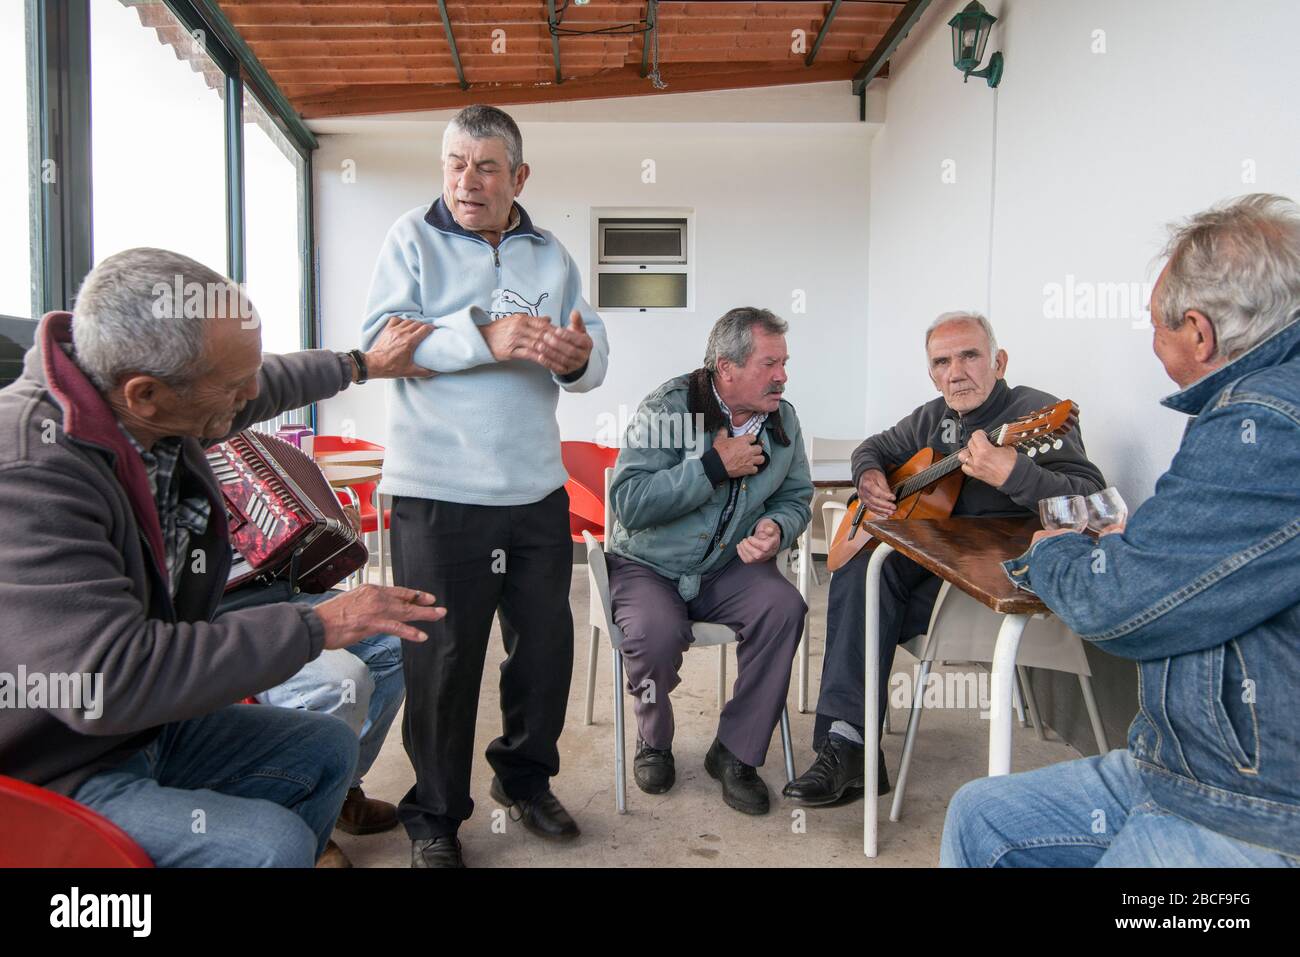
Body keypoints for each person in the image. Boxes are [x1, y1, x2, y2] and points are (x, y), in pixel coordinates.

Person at [0, 247, 445, 867]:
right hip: (53, 767)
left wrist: (362, 364)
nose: (253, 396)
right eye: (235, 387)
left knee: (324, 750)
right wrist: (319, 625)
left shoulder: (136, 401)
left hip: (145, 730)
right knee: (270, 845)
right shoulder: (30, 472)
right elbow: (107, 681)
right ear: (146, 394)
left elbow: (271, 383)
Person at [942, 194, 1300, 867]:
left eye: (1155, 327)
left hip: (1249, 802)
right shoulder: (1253, 404)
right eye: (942, 363)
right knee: (979, 814)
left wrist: (1057, 549)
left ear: (1199, 332)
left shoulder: (1265, 422)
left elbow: (1120, 599)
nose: (955, 373)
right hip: (1182, 763)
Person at [361, 104, 609, 868]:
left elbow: (594, 357)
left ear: (519, 177)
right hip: (436, 493)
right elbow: (379, 347)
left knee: (544, 652)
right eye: (455, 163)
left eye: (486, 165)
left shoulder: (551, 253)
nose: (467, 180)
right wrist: (485, 337)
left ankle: (524, 779)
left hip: (533, 490)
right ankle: (434, 812)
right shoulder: (411, 238)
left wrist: (572, 358)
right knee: (442, 661)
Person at [784, 312, 1105, 806]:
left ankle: (850, 742)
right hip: (934, 572)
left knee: (864, 601)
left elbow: (1088, 504)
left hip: (995, 590)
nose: (956, 371)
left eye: (970, 355)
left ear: (998, 361)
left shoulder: (1037, 413)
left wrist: (1015, 473)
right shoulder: (934, 416)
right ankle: (847, 746)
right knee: (863, 571)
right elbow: (875, 447)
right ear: (932, 374)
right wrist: (868, 474)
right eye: (942, 361)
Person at [605, 307, 812, 815]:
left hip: (725, 567)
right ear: (727, 368)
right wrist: (712, 467)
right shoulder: (669, 408)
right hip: (647, 565)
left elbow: (797, 495)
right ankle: (653, 740)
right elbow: (628, 501)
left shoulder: (783, 420)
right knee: (654, 632)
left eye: (784, 362)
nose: (782, 376)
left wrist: (777, 527)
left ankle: (736, 752)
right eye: (770, 363)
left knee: (784, 607)